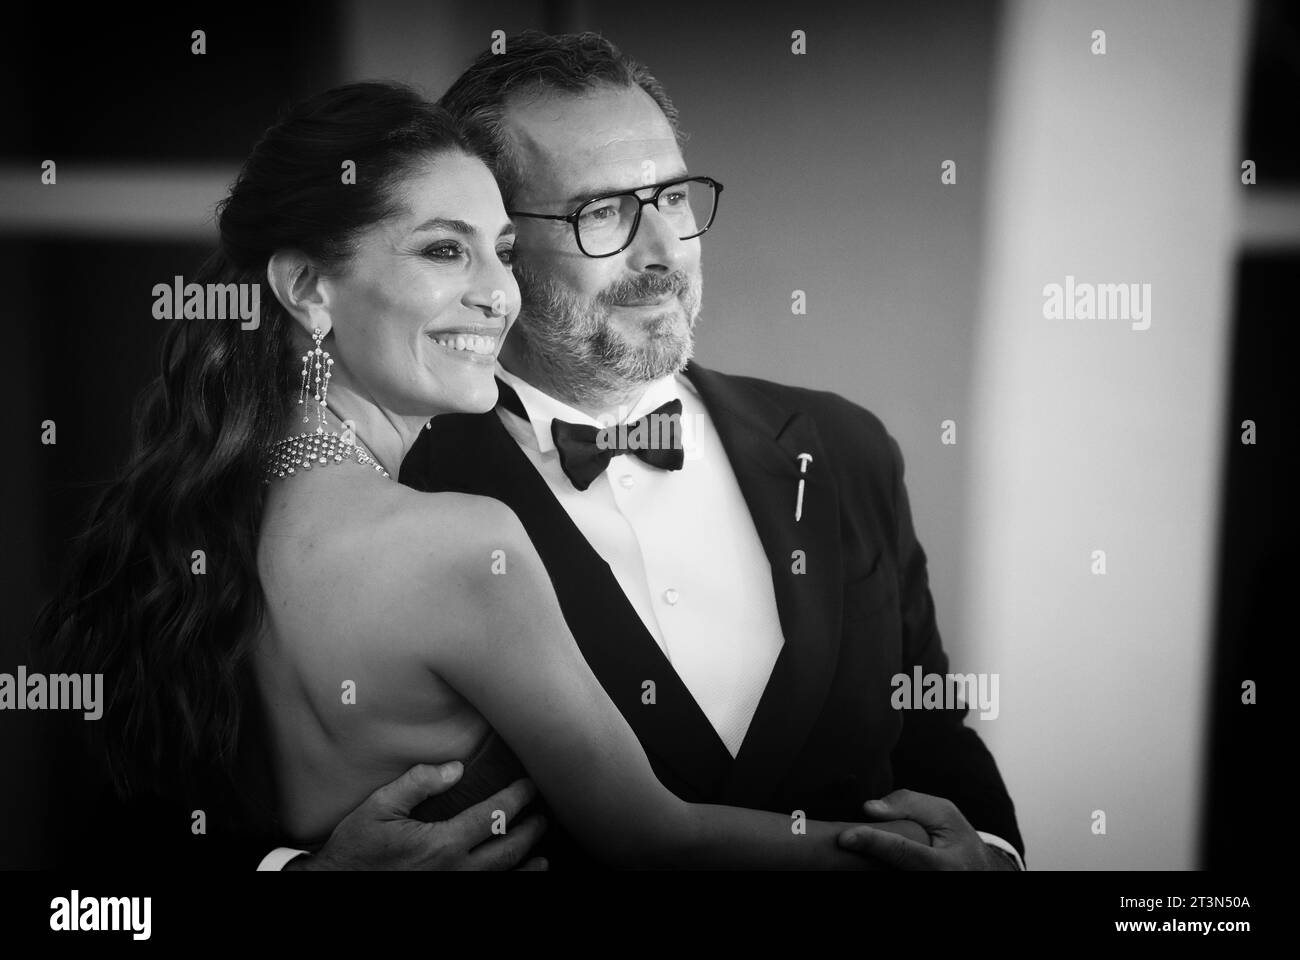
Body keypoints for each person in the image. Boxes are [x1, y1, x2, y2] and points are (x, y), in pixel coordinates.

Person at [32, 81, 929, 871]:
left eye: (498, 250)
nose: (498, 292)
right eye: (443, 250)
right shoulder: (457, 533)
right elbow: (653, 839)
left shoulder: (212, 512)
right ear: (309, 289)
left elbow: (931, 738)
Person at [393, 31, 1026, 872]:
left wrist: (992, 858)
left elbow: (938, 751)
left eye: (674, 199)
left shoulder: (843, 448)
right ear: (495, 246)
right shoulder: (398, 489)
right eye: (604, 212)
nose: (664, 254)